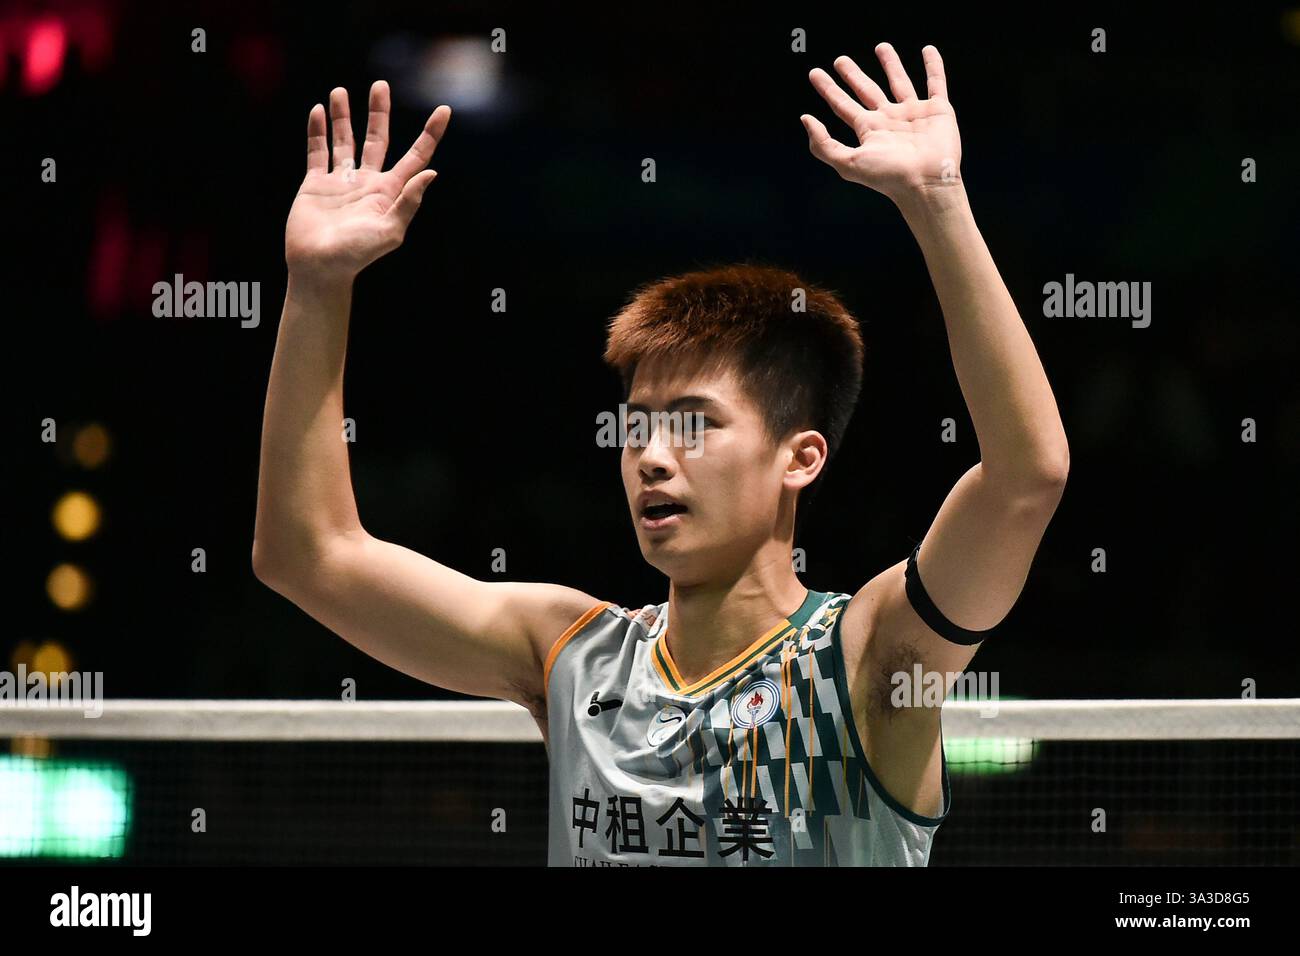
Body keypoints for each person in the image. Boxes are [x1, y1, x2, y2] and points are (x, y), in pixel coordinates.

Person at [253, 42, 1068, 866]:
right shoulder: (572, 657)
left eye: (694, 423)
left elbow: (1025, 477)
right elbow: (308, 553)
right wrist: (317, 287)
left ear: (801, 457)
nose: (650, 455)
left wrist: (938, 203)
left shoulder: (870, 656)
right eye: (637, 424)